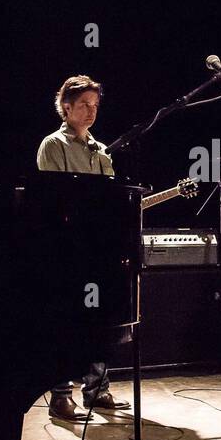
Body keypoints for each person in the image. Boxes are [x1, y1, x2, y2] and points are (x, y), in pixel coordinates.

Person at [36, 75, 130, 421]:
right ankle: (60, 396)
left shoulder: (101, 150)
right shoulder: (53, 145)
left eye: (95, 105)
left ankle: (97, 389)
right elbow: (53, 200)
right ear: (66, 107)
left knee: (99, 321)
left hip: (97, 249)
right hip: (66, 249)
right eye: (84, 105)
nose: (91, 112)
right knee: (65, 321)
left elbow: (109, 201)